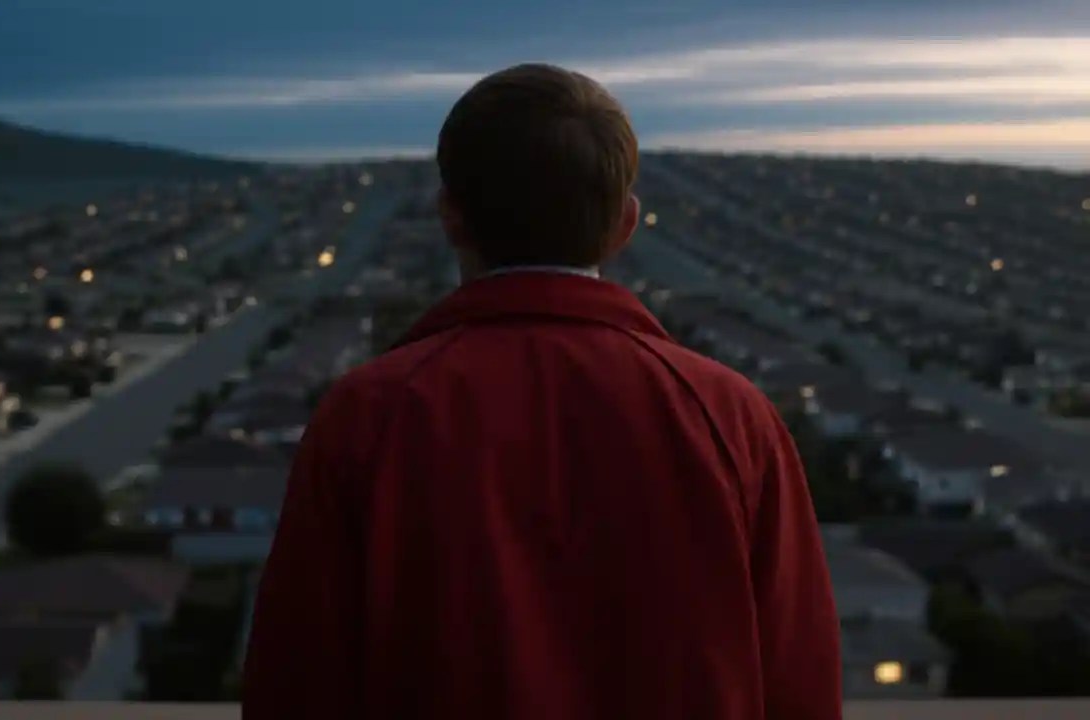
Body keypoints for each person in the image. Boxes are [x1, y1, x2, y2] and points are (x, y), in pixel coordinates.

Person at [243, 63, 841, 720]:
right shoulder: (730, 414)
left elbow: (295, 681)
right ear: (625, 224)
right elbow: (798, 676)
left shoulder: (371, 415)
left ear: (451, 217)